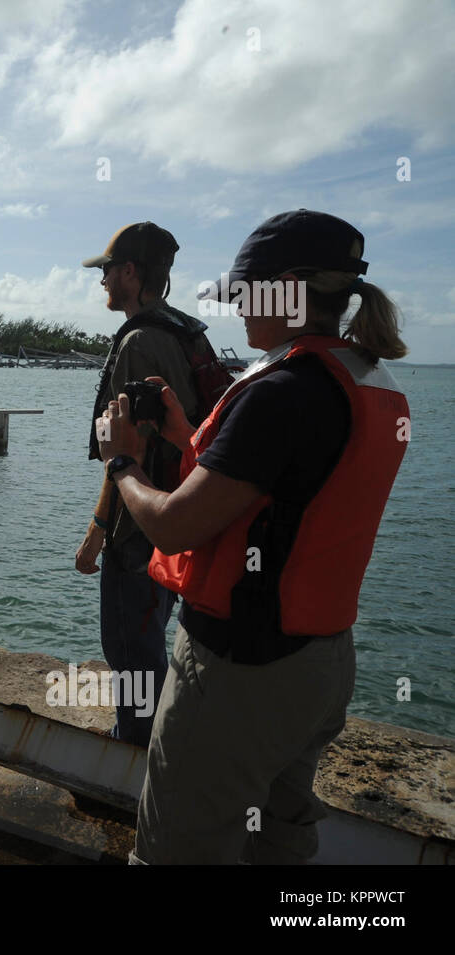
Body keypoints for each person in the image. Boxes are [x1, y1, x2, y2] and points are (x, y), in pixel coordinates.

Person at [96, 209, 410, 864]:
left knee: (174, 851)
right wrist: (190, 436)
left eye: (244, 290)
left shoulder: (280, 393)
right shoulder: (366, 380)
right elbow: (281, 488)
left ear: (286, 288)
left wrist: (122, 462)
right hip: (321, 662)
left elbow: (176, 523)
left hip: (240, 671)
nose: (236, 306)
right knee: (280, 840)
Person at [77, 222, 213, 746]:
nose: (103, 281)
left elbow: (126, 451)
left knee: (131, 648)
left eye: (107, 271)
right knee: (153, 641)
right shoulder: (185, 329)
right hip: (178, 512)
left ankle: (134, 754)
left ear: (130, 272)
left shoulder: (138, 342)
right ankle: (161, 743)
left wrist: (97, 529)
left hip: (140, 526)